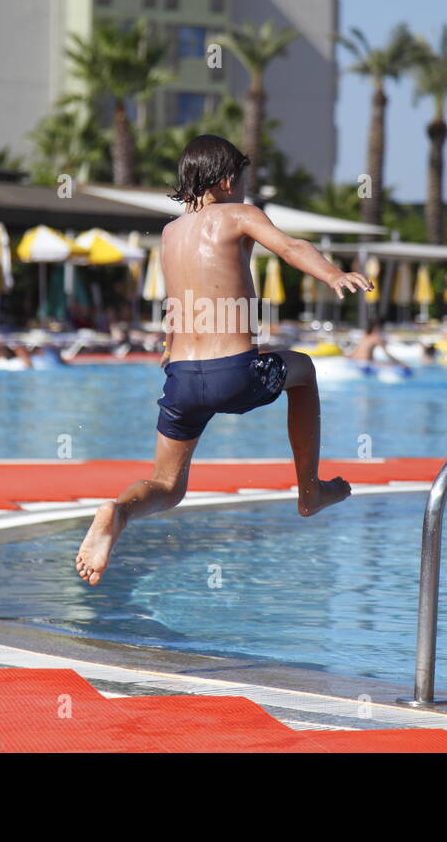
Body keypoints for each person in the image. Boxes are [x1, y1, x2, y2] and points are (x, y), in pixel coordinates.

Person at [75, 135, 373, 585]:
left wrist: (170, 346)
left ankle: (118, 513)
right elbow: (291, 248)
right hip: (234, 372)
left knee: (167, 486)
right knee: (305, 369)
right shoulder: (240, 215)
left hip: (180, 379)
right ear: (229, 180)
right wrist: (334, 274)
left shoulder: (171, 233)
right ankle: (309, 491)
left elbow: (176, 302)